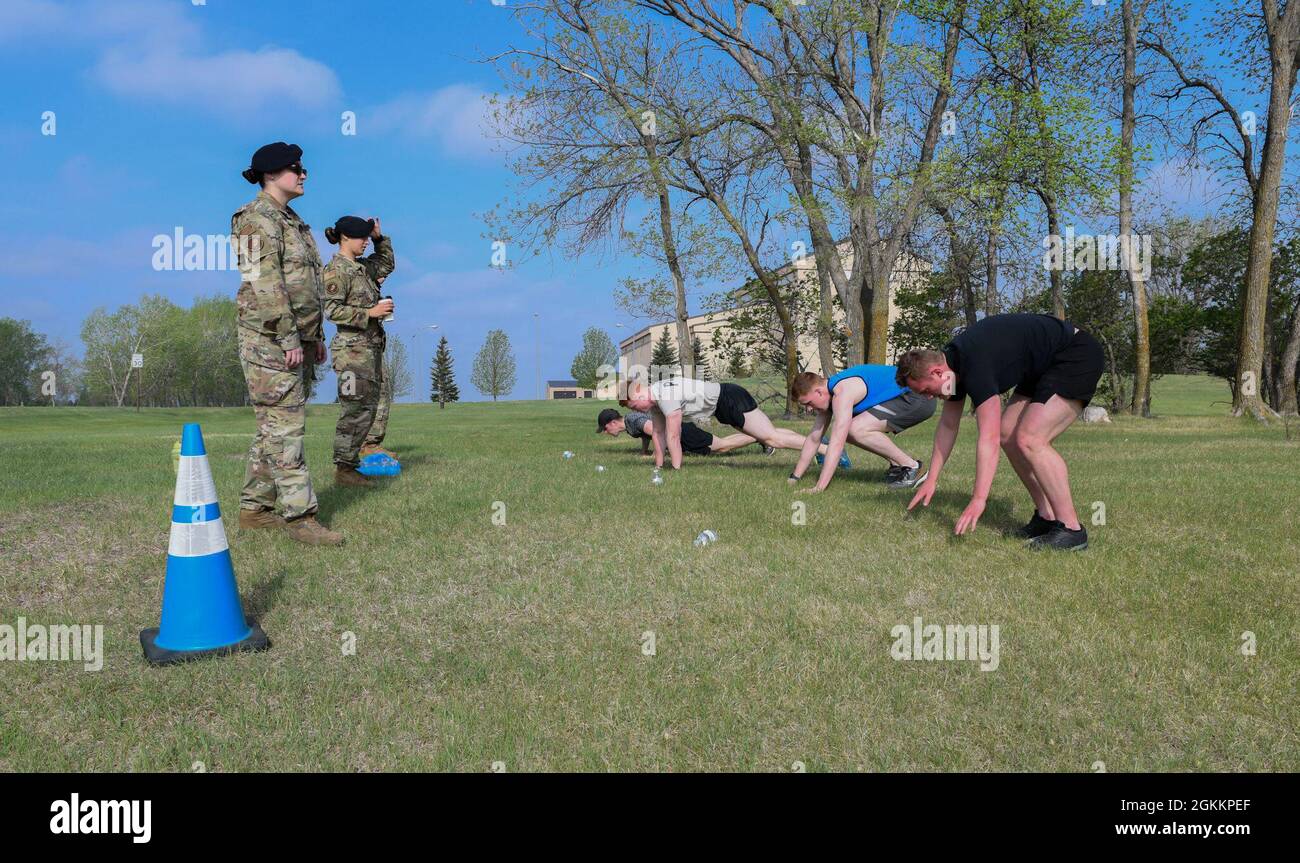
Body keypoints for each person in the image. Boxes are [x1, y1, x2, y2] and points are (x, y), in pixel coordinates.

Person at [897, 313, 1105, 551]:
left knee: (1031, 439)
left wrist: (978, 499)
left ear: (936, 372)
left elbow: (989, 438)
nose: (928, 397)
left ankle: (1072, 530)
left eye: (925, 390)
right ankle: (1047, 517)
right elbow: (947, 426)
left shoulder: (975, 365)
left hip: (1075, 354)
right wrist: (931, 480)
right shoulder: (951, 371)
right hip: (1043, 366)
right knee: (1009, 434)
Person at [231, 141, 341, 546]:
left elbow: (306, 286)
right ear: (272, 175)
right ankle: (301, 518)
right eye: (297, 169)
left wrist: (314, 337)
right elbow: (266, 284)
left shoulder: (292, 221)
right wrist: (289, 335)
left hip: (294, 339)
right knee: (286, 429)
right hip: (269, 342)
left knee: (273, 428)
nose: (304, 174)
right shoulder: (255, 220)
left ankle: (255, 510)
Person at [323, 216, 395, 486]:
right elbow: (332, 310)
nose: (365, 242)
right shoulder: (335, 271)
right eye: (361, 238)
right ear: (345, 238)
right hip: (351, 352)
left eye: (367, 238)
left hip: (370, 349)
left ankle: (354, 462)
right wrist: (370, 312)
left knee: (370, 407)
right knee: (354, 410)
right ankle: (344, 469)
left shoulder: (363, 268)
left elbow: (387, 263)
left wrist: (379, 238)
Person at [788, 364, 935, 493]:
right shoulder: (829, 396)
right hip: (908, 396)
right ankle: (899, 466)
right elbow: (814, 438)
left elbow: (837, 444)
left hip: (918, 396)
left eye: (808, 403)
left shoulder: (842, 393)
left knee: (853, 429)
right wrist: (795, 477)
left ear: (819, 392)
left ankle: (912, 467)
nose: (808, 409)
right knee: (852, 431)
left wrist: (819, 487)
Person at [620, 376, 813, 471]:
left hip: (729, 398)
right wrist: (659, 467)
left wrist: (676, 470)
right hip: (721, 405)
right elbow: (658, 434)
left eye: (633, 405)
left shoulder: (664, 395)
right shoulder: (655, 402)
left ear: (637, 392)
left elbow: (673, 436)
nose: (635, 410)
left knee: (771, 439)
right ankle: (819, 444)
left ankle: (824, 449)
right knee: (768, 434)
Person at [596, 408, 771, 456]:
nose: (605, 432)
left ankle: (764, 438)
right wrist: (644, 451)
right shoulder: (629, 424)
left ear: (612, 423)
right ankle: (760, 437)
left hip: (682, 433)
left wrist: (658, 454)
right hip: (680, 433)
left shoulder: (632, 420)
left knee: (722, 446)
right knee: (721, 444)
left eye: (604, 429)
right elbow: (647, 434)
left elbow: (655, 431)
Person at [359, 274, 397, 461]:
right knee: (359, 400)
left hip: (374, 346)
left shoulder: (370, 288)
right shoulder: (345, 275)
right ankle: (355, 451)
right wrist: (370, 312)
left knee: (382, 394)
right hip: (355, 351)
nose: (382, 276)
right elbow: (334, 311)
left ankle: (371, 445)